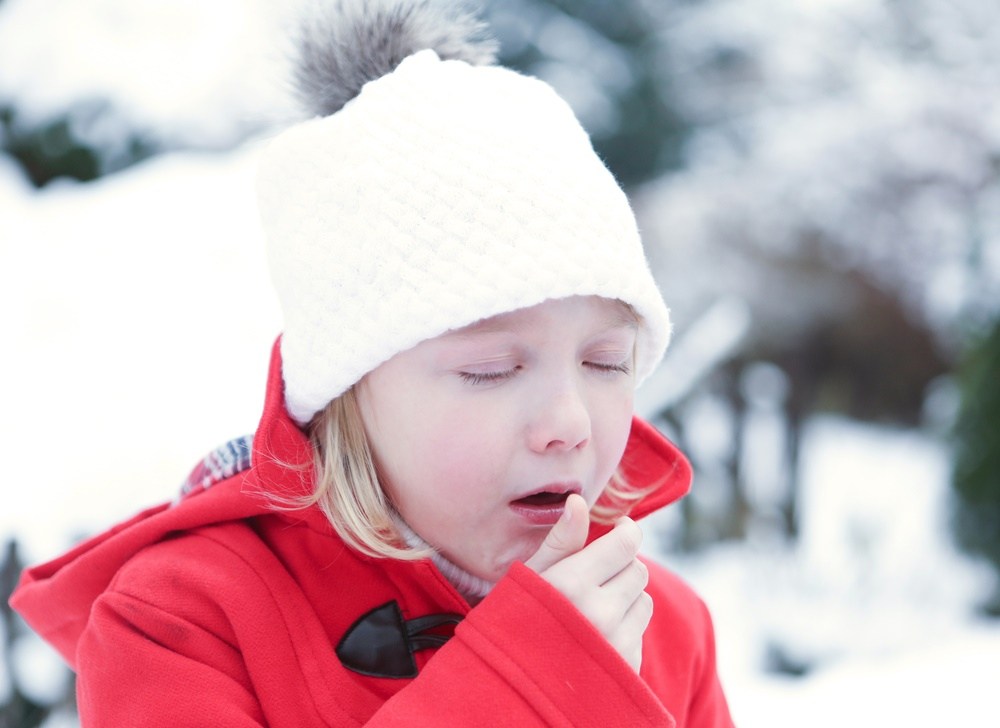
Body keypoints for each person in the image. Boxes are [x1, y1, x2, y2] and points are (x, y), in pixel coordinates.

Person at [10, 2, 735, 725]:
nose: (569, 423)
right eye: (491, 369)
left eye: (607, 361)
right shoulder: (184, 621)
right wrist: (522, 683)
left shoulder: (665, 627)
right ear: (347, 390)